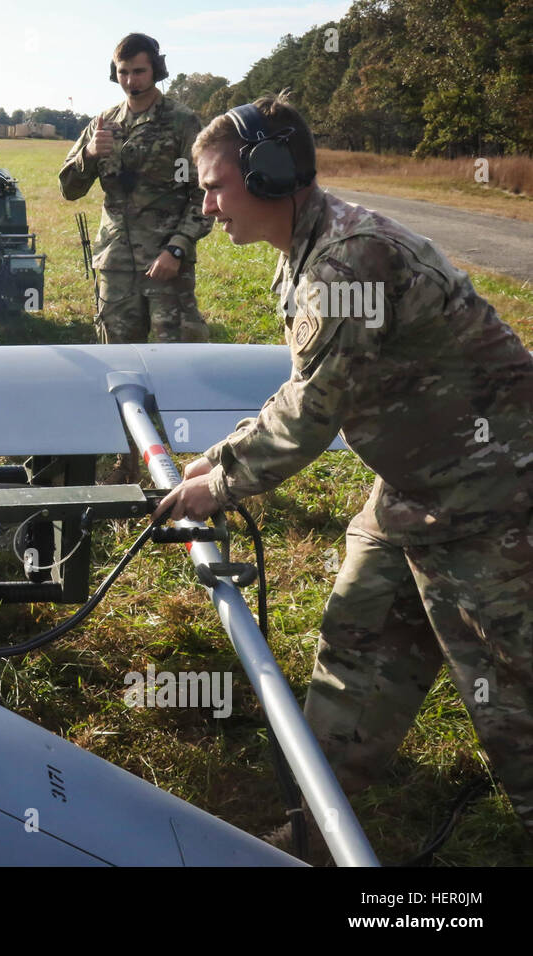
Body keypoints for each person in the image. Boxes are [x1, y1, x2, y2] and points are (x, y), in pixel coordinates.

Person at [156, 93, 533, 852]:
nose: (206, 204)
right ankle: (319, 829)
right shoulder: (308, 249)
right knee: (355, 642)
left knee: (512, 700)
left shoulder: (347, 261)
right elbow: (311, 384)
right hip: (415, 486)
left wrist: (215, 482)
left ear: (272, 174)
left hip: (492, 493)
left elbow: (311, 414)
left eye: (216, 184)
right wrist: (221, 455)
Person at [59, 32, 213, 345]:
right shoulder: (102, 124)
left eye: (139, 71)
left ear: (155, 70)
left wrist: (178, 247)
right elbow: (69, 190)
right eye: (123, 72)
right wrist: (88, 154)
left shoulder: (182, 121)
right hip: (115, 265)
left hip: (167, 264)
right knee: (119, 359)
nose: (131, 80)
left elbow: (204, 194)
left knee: (179, 357)